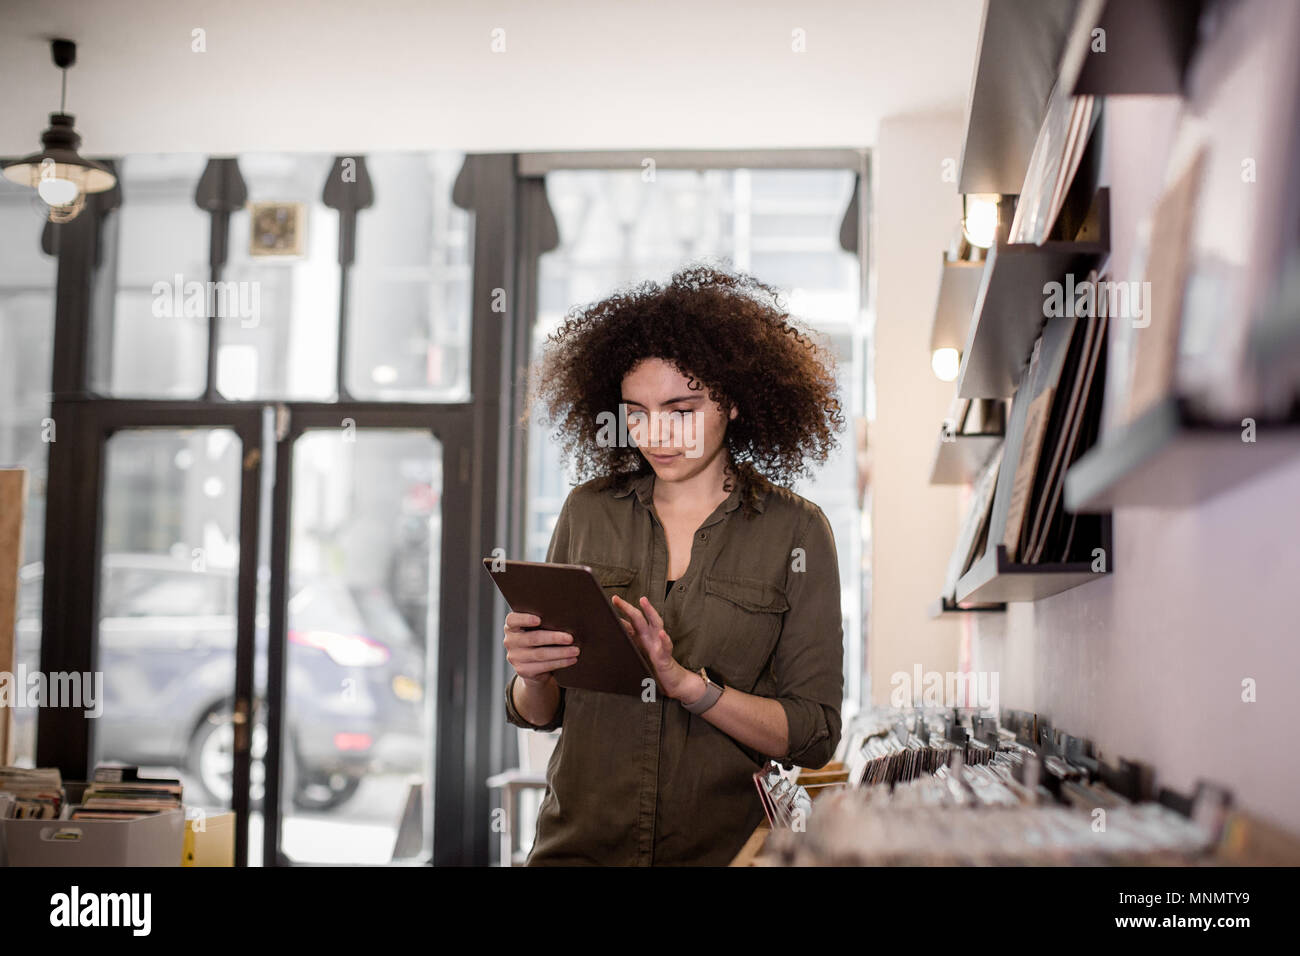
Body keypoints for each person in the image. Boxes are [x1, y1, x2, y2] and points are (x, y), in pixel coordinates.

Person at [504, 263, 847, 865]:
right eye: (636, 411)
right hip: (577, 849)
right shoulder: (587, 511)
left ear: (734, 403)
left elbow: (814, 736)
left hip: (721, 853)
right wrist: (532, 675)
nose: (655, 433)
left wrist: (691, 687)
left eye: (681, 409)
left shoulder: (797, 532)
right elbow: (543, 713)